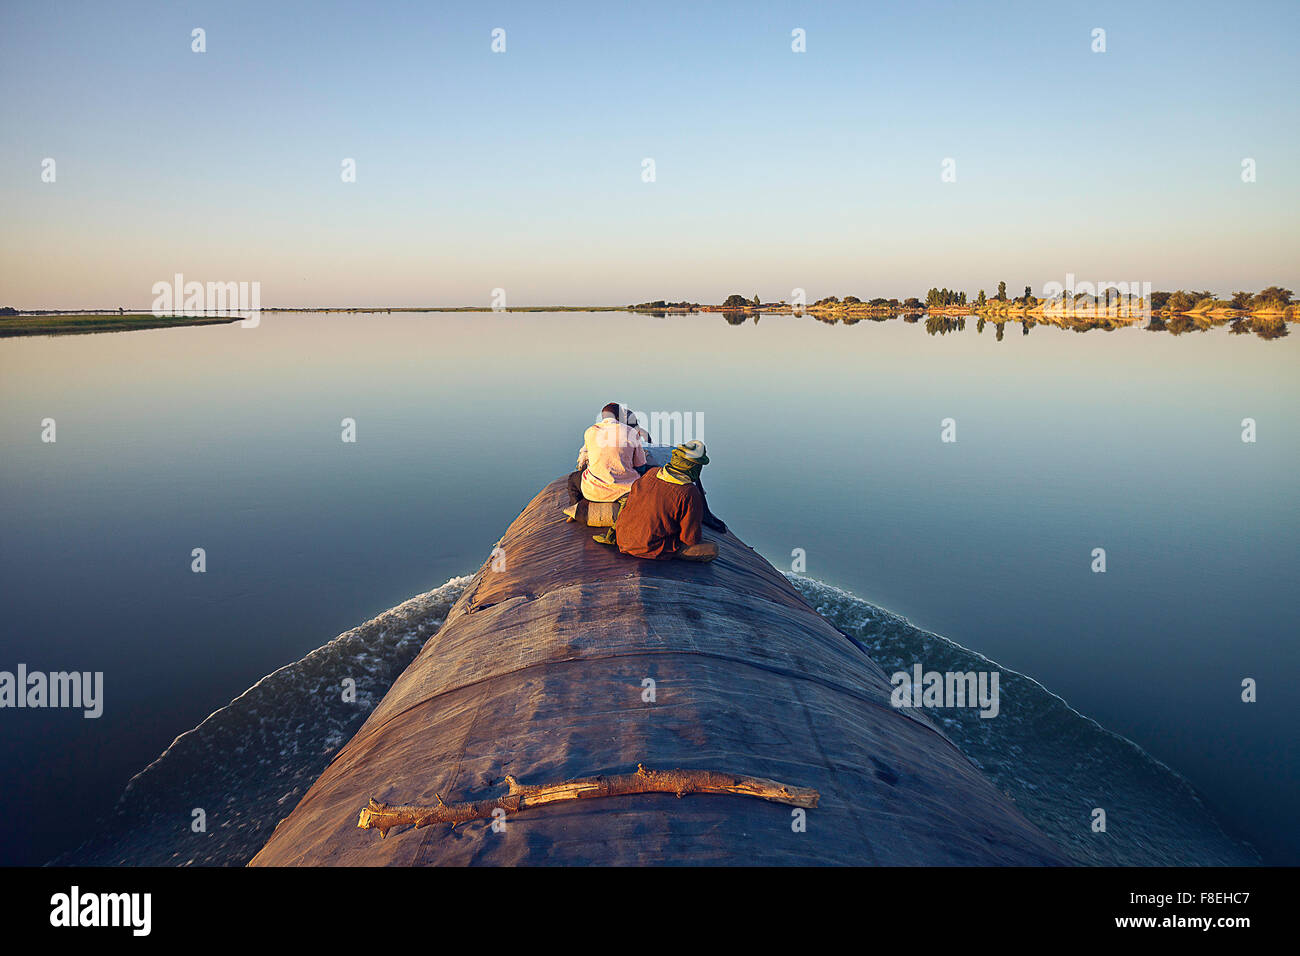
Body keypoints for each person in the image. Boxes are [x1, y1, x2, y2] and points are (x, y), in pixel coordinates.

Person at [593, 440, 718, 562]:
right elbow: (689, 539)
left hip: (622, 539)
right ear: (695, 467)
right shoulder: (689, 492)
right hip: (649, 547)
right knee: (712, 549)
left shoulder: (652, 473)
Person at [566, 403, 648, 507]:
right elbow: (641, 467)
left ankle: (575, 509)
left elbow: (588, 458)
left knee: (573, 479)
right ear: (619, 417)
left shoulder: (590, 431)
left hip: (593, 491)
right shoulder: (631, 432)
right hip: (626, 490)